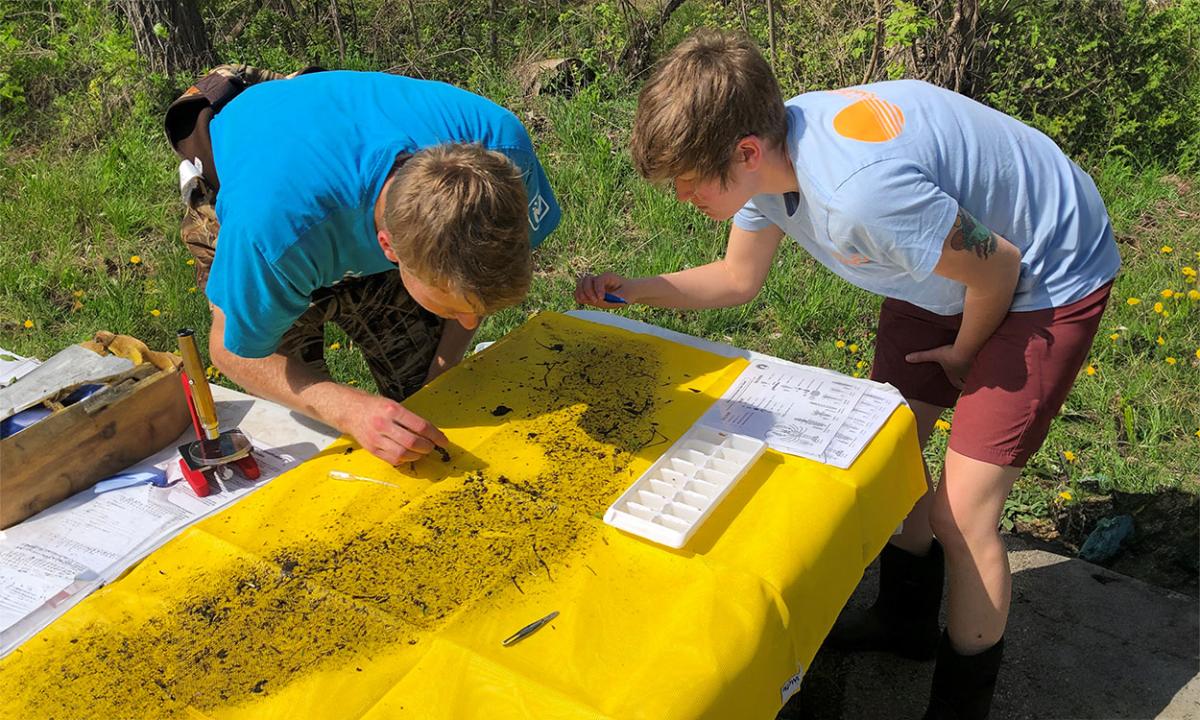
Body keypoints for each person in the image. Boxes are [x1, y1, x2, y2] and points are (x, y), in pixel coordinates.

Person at [575, 29, 1118, 719]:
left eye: (688, 182)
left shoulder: (862, 198)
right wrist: (632, 288)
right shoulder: (765, 160)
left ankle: (959, 708)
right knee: (886, 448)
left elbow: (999, 267)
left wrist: (960, 356)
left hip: (1044, 272)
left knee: (962, 512)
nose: (680, 197)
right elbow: (739, 278)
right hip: (946, 259)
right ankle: (906, 623)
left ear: (745, 152)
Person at [166, 67, 560, 465]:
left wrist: (441, 371)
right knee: (313, 433)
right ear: (388, 249)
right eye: (455, 307)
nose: (470, 324)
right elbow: (234, 352)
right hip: (273, 183)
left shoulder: (507, 159)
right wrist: (348, 410)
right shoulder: (272, 233)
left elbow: (469, 302)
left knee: (433, 407)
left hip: (330, 173)